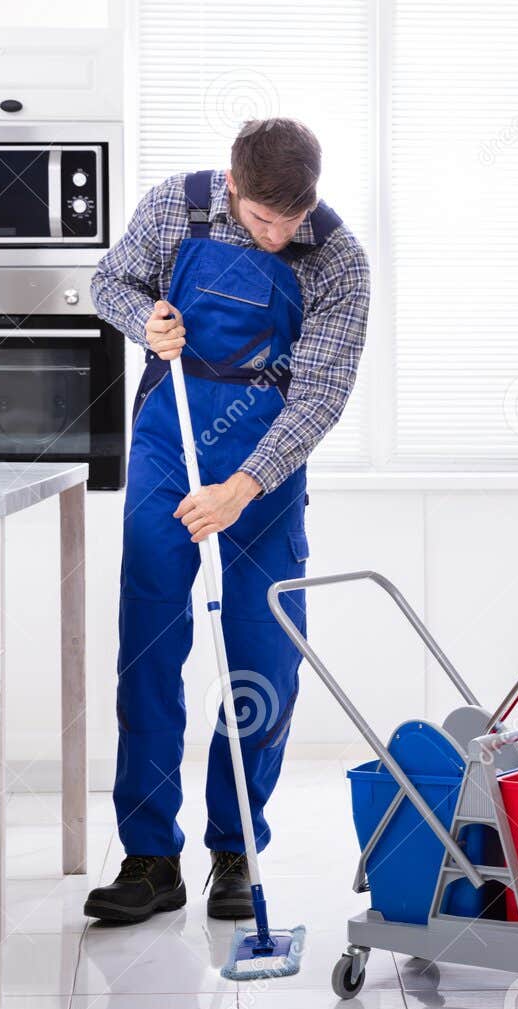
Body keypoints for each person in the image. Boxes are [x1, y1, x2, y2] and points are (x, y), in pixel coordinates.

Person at [85, 118, 370, 924]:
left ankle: (236, 848)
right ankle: (149, 858)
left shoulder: (339, 259)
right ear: (233, 186)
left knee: (264, 658)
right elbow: (110, 281)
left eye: (292, 220)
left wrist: (242, 487)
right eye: (261, 220)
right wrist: (143, 320)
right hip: (168, 444)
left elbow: (321, 396)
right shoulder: (174, 207)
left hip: (266, 461)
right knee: (148, 646)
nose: (278, 236)